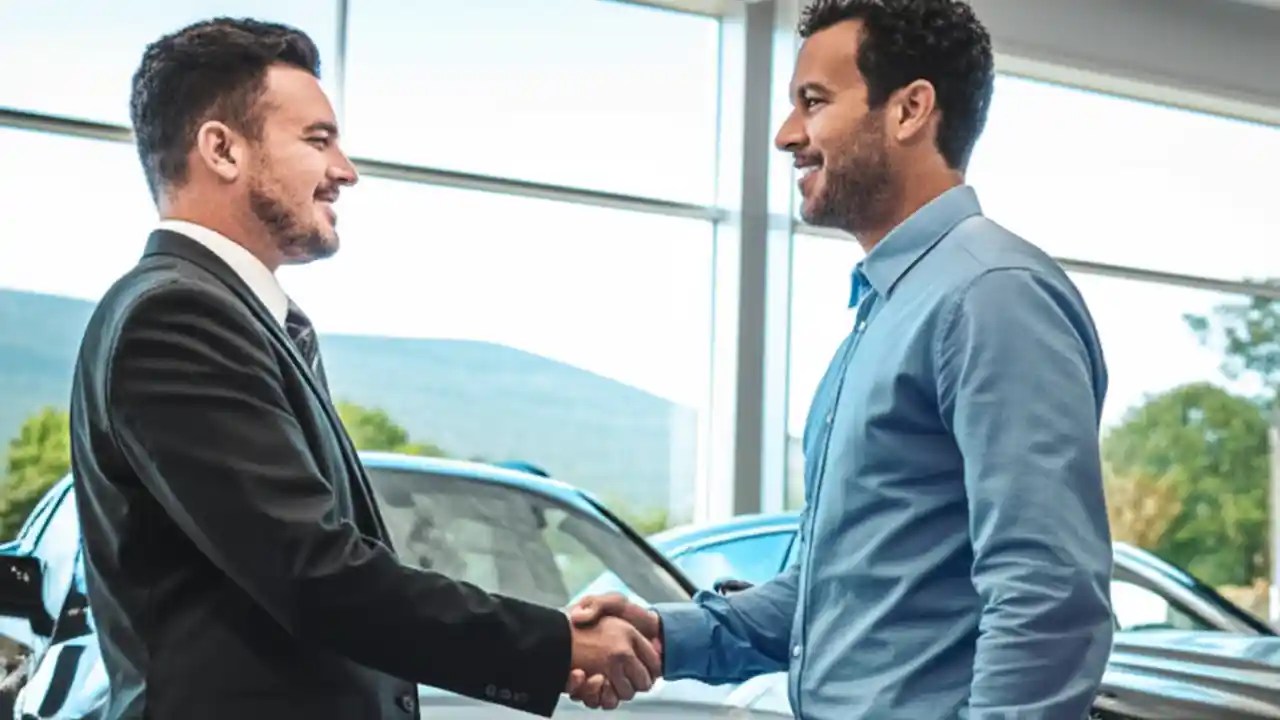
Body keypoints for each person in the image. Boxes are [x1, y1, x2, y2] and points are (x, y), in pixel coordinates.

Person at [67, 17, 657, 720]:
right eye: (318, 140)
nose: (345, 171)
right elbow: (314, 574)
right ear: (221, 149)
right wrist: (555, 645)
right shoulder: (176, 320)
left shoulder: (228, 314)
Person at [569, 1, 1114, 718]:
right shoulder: (889, 309)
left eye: (814, 103)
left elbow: (1049, 595)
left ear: (911, 109)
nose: (787, 134)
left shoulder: (991, 297)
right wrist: (660, 635)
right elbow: (825, 598)